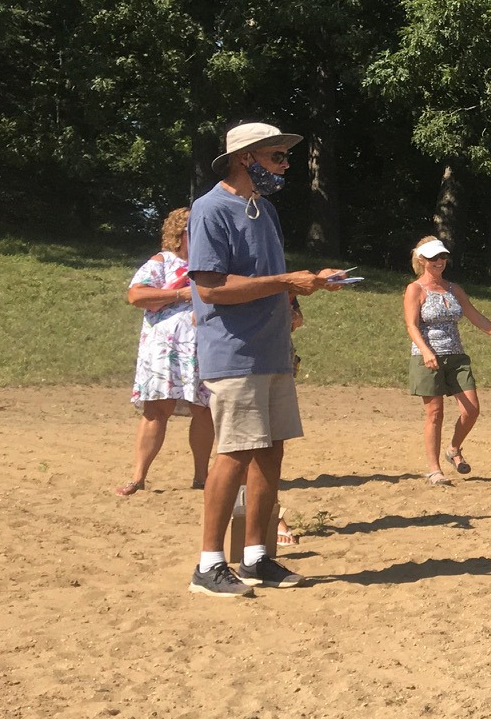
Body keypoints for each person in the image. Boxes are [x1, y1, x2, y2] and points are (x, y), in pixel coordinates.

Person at [185, 122, 346, 597]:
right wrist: (284, 283)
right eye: (277, 156)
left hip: (272, 350)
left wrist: (303, 289)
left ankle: (256, 557)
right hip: (234, 352)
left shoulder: (265, 210)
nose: (285, 165)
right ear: (245, 158)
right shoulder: (210, 208)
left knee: (270, 453)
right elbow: (210, 287)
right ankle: (208, 565)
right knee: (234, 454)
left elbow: (269, 277)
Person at [405, 236, 491, 484]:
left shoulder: (453, 289)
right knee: (435, 413)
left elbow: (475, 315)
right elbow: (412, 326)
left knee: (472, 410)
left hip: (456, 356)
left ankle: (454, 449)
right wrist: (426, 351)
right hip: (428, 357)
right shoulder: (415, 289)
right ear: (422, 260)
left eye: (443, 257)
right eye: (434, 257)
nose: (440, 261)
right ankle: (434, 470)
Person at [118, 206, 214, 496]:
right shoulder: (162, 262)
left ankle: (202, 477)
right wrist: (179, 293)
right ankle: (138, 477)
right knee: (156, 410)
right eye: (193, 232)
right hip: (164, 350)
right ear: (180, 234)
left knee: (204, 409)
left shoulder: (212, 265)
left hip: (202, 346)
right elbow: (136, 295)